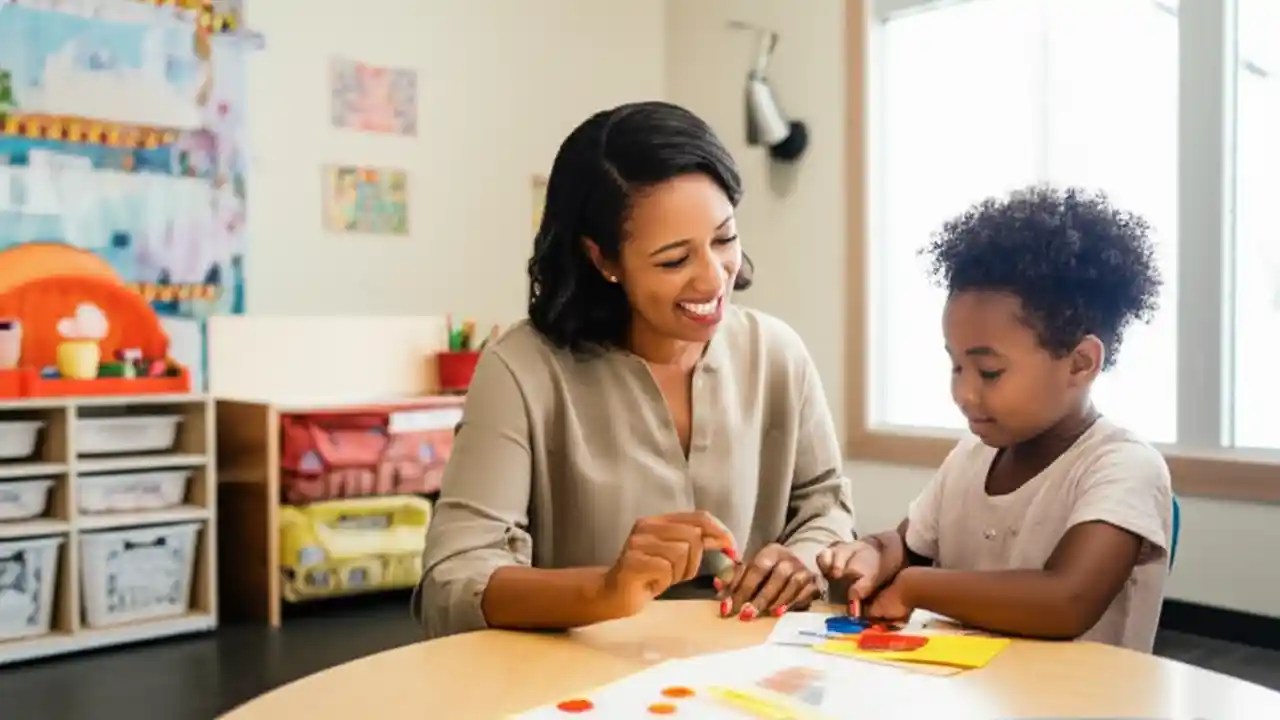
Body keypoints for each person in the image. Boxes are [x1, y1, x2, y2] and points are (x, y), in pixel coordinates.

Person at [415, 101, 855, 638]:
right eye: (674, 259)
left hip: (751, 676)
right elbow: (452, 581)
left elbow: (825, 507)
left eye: (724, 239)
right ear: (602, 259)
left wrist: (800, 562)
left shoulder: (777, 353)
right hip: (574, 685)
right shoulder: (522, 370)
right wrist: (604, 589)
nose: (713, 279)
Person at [819, 186, 1172, 652]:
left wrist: (917, 586)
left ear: (1080, 363)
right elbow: (905, 547)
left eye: (989, 371)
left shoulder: (1123, 468)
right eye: (956, 365)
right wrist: (871, 556)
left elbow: (1066, 600)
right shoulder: (970, 457)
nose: (963, 392)